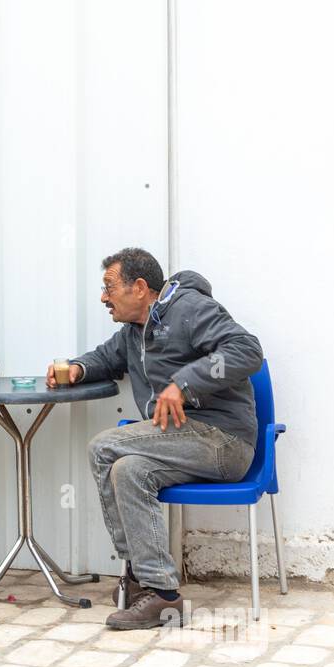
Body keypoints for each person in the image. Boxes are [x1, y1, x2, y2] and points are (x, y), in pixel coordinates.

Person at [53, 247, 262, 630]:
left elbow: (247, 351)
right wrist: (78, 369)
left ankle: (134, 574)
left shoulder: (191, 309)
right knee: (129, 470)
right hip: (181, 443)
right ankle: (163, 595)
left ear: (139, 287)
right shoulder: (134, 333)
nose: (103, 297)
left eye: (109, 287)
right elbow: (106, 359)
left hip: (223, 441)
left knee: (102, 447)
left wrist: (183, 383)